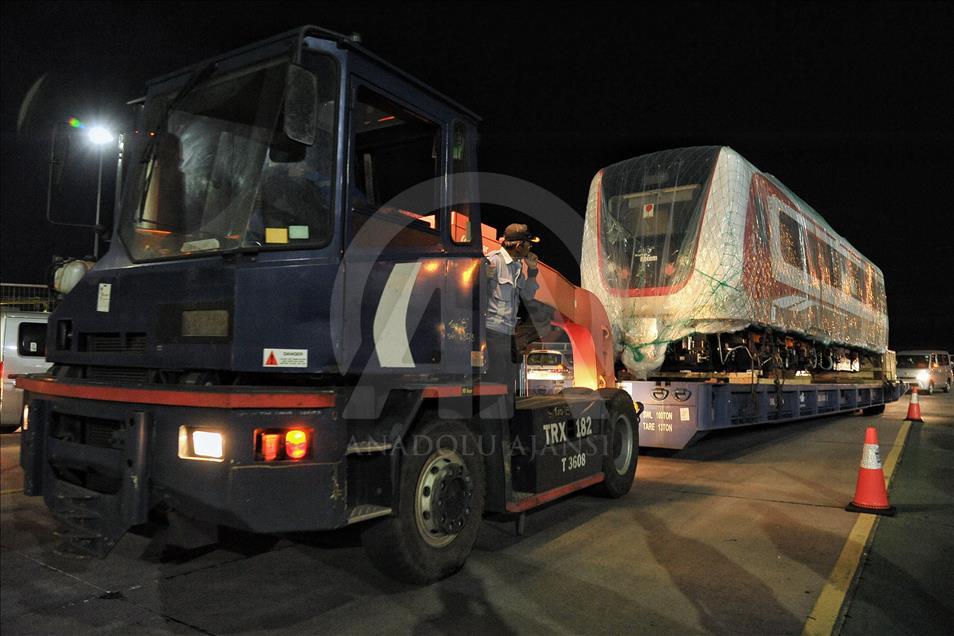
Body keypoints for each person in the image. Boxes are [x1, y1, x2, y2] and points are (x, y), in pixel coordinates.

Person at [484, 223, 541, 391]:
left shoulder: (517, 267)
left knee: (509, 382)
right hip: (492, 333)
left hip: (508, 333)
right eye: (528, 244)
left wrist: (532, 271)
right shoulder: (493, 262)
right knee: (498, 382)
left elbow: (528, 296)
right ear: (518, 245)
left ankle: (505, 415)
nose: (530, 247)